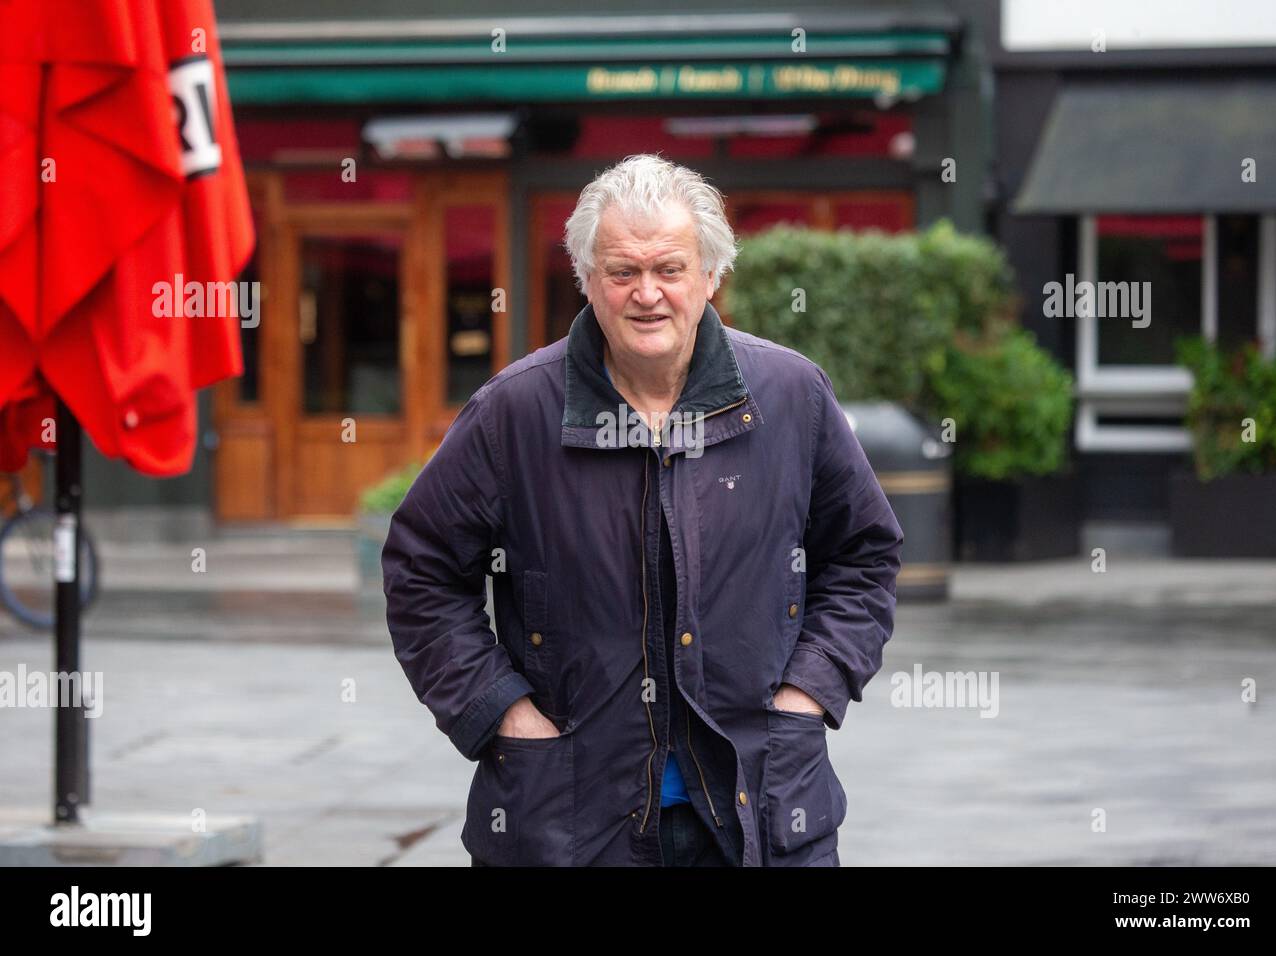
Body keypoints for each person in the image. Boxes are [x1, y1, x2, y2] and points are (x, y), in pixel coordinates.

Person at [382, 153, 904, 867]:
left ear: (711, 276)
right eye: (622, 271)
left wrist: (809, 691)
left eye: (670, 269)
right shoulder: (514, 412)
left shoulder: (791, 395)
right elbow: (421, 571)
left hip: (763, 805)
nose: (647, 294)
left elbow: (864, 555)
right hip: (566, 818)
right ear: (588, 280)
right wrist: (500, 708)